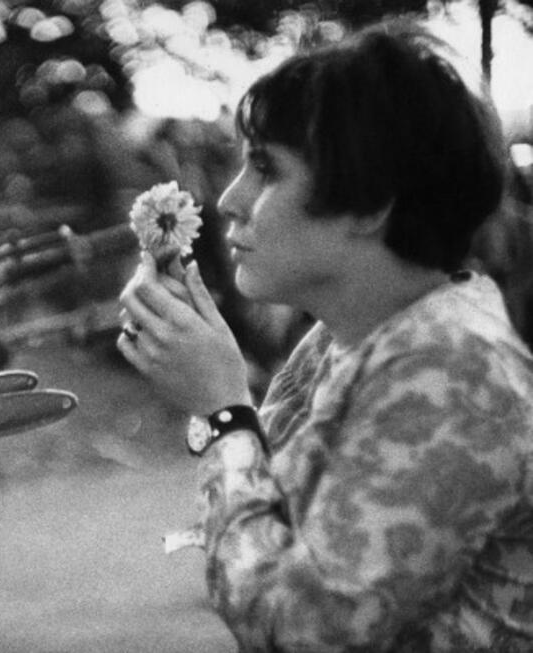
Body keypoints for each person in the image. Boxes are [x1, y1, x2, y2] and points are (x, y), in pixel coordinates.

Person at [117, 20, 533, 651]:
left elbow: (306, 629)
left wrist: (223, 413)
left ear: (371, 203)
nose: (230, 199)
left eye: (265, 169)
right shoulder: (349, 338)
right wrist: (215, 390)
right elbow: (271, 525)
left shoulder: (453, 366)